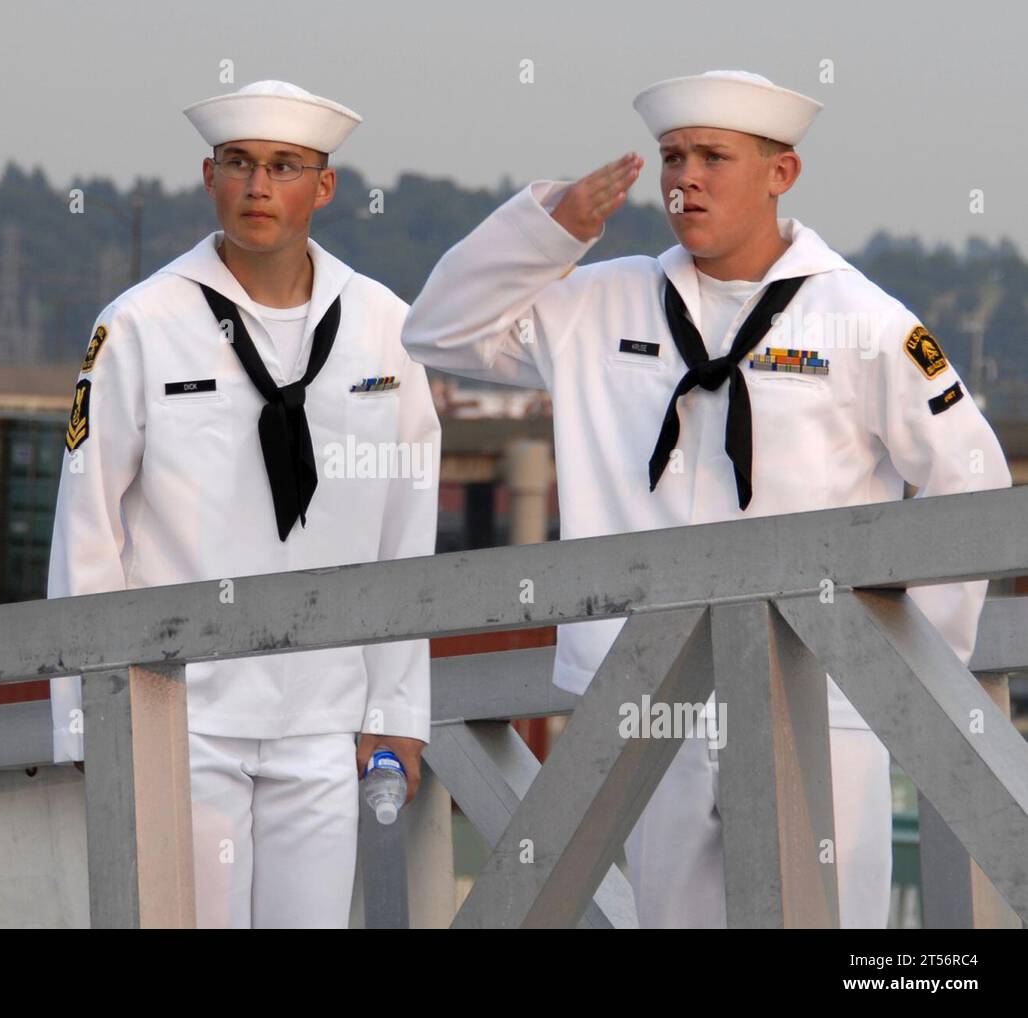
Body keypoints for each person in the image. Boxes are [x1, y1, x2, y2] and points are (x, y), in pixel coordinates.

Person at [400, 69, 1010, 927]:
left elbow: (968, 478)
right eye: (673, 156)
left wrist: (904, 654)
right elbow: (439, 331)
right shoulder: (601, 301)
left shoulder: (861, 320)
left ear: (780, 173)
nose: (686, 177)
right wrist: (553, 228)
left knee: (828, 924)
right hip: (650, 692)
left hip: (816, 694)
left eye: (714, 157)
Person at [47, 79, 441, 928]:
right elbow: (87, 531)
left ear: (324, 187)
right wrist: (90, 722)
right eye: (240, 164)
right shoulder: (143, 323)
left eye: (284, 166)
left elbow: (408, 536)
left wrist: (398, 711)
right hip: (177, 716)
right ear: (209, 176)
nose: (259, 186)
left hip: (326, 719)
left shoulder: (385, 329)